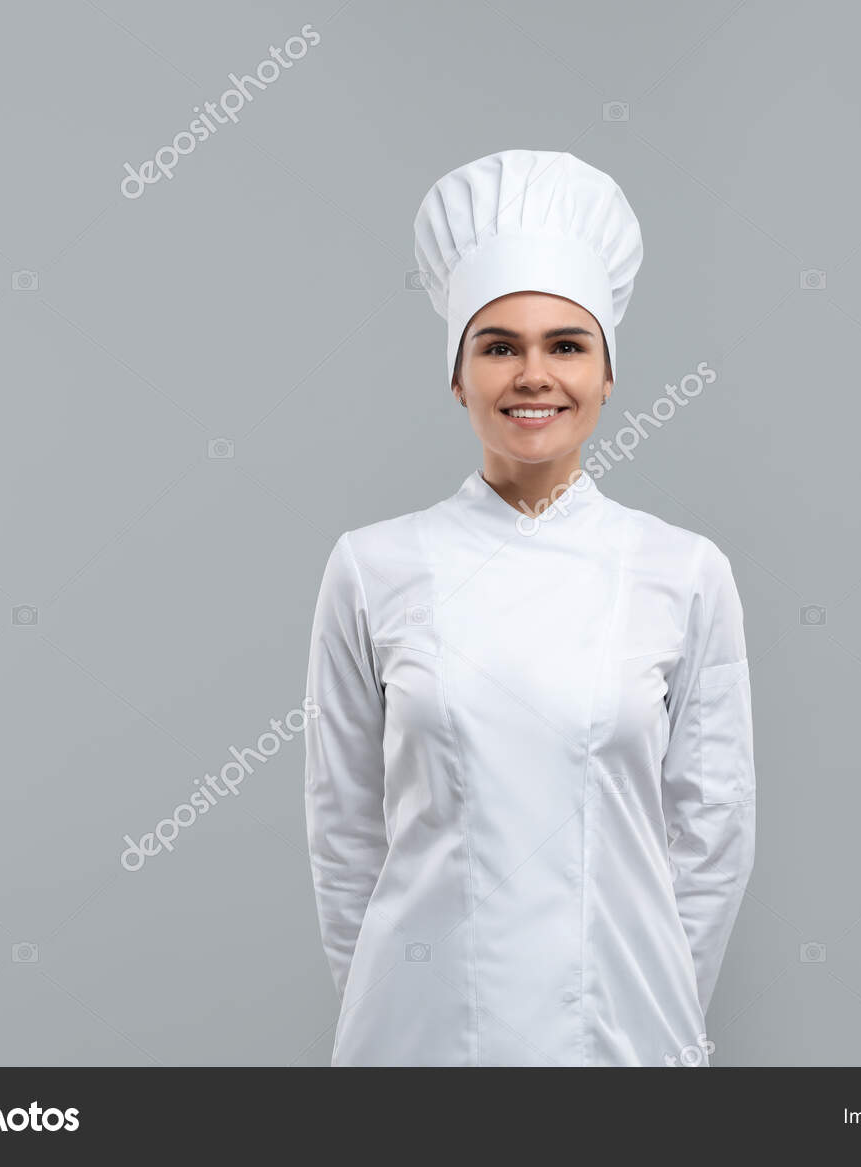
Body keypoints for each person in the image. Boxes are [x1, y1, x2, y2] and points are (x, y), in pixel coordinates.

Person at [303, 149, 755, 1066]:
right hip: (416, 1038)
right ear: (458, 376)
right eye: (499, 346)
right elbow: (344, 833)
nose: (533, 375)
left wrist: (648, 999)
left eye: (566, 345)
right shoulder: (372, 567)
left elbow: (713, 836)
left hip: (623, 1035)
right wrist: (391, 1009)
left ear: (609, 374)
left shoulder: (683, 571)